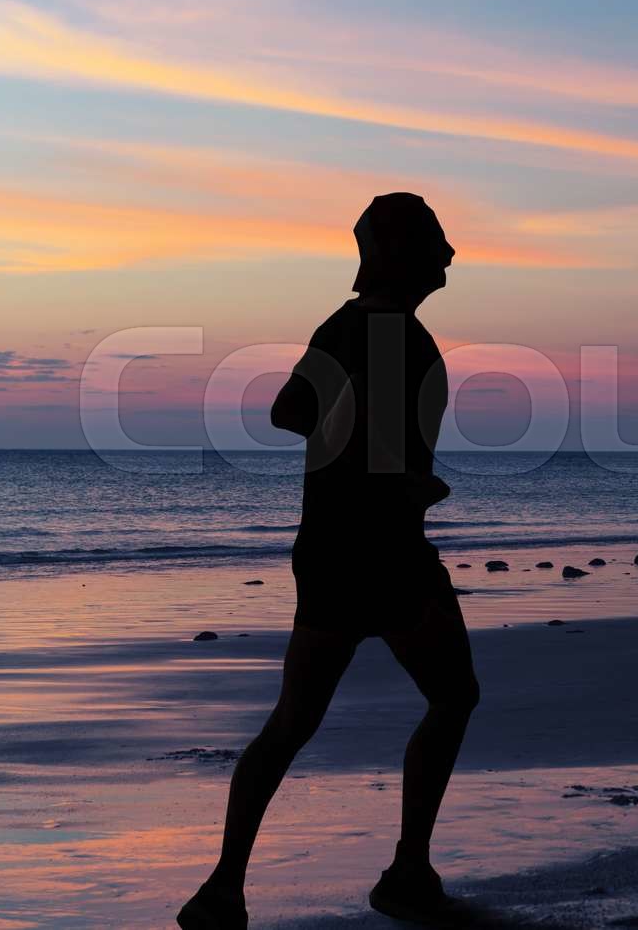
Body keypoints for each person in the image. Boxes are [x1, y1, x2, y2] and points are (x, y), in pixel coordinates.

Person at [180, 194, 477, 929]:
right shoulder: (390, 331)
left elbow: (291, 410)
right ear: (403, 253)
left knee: (291, 722)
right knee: (454, 695)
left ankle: (223, 887)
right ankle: (408, 870)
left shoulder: (350, 326)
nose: (449, 255)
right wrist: (400, 477)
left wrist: (368, 450)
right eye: (436, 242)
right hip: (387, 556)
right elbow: (327, 431)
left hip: (330, 554)